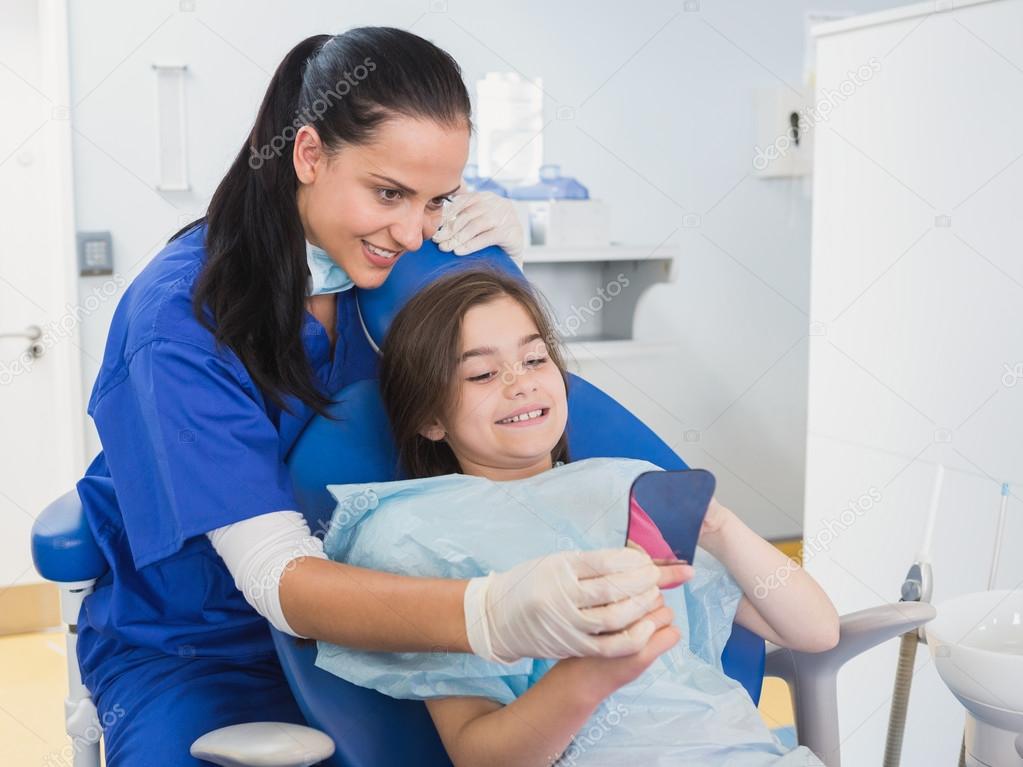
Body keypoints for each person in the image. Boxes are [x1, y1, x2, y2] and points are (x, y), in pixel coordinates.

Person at [76, 28, 686, 765]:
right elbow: (276, 577)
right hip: (210, 648)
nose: (411, 229)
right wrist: (491, 610)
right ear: (307, 155)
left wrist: (500, 266)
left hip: (411, 623)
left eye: (439, 198)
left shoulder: (405, 274)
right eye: (389, 192)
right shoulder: (178, 325)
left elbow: (514, 421)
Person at [315, 268, 840, 765]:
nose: (520, 384)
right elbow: (478, 756)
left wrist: (722, 530)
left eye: (536, 360)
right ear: (430, 418)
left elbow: (815, 631)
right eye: (481, 373)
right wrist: (591, 675)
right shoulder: (414, 534)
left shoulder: (626, 485)